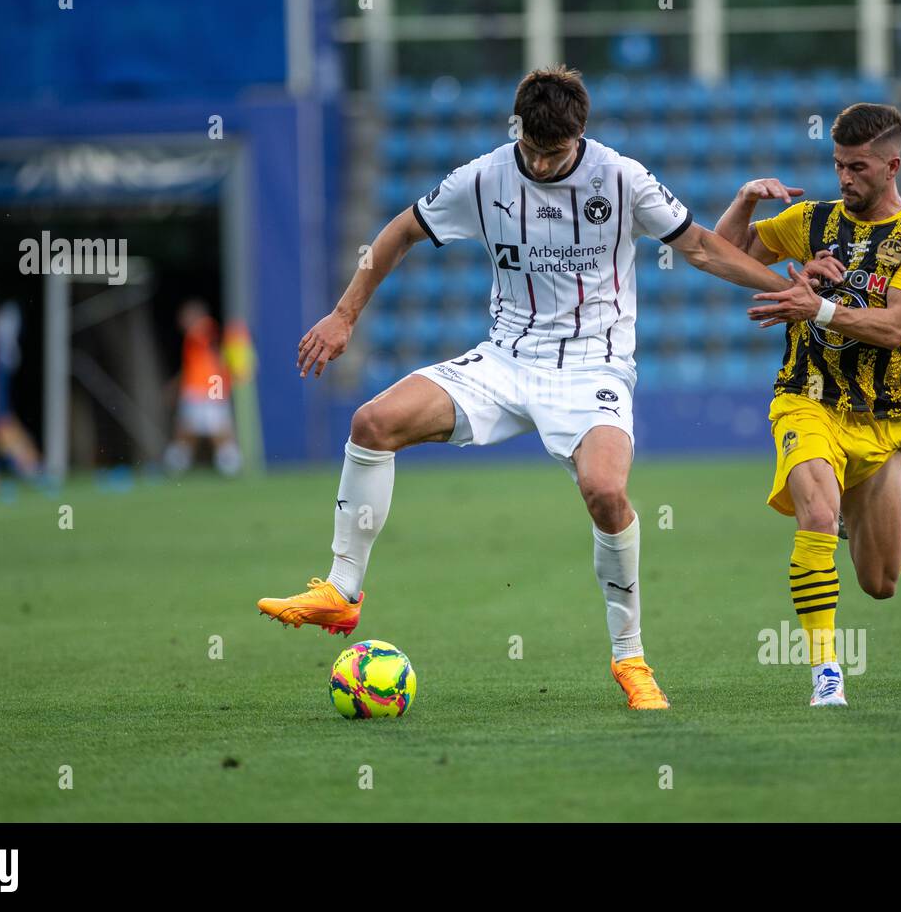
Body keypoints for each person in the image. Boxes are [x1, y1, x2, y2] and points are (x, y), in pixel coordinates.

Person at [257, 65, 791, 709]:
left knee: (604, 491)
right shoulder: (483, 178)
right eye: (531, 151)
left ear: (581, 135)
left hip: (595, 367)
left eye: (555, 153)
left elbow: (702, 248)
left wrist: (785, 288)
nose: (539, 165)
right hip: (505, 361)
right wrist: (344, 314)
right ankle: (343, 593)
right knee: (371, 423)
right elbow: (397, 234)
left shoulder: (622, 179)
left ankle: (631, 660)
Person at [716, 103, 901, 707]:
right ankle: (826, 672)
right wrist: (746, 201)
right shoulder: (810, 220)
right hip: (807, 399)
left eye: (859, 168)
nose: (845, 179)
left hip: (883, 421)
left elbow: (897, 326)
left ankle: (848, 503)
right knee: (816, 517)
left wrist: (815, 305)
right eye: (839, 165)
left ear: (892, 164)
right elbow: (720, 253)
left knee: (880, 583)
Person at [164, 300, 242, 477]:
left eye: (185, 316)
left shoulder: (203, 328)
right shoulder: (195, 338)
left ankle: (231, 468)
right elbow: (192, 366)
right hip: (203, 387)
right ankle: (176, 468)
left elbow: (219, 352)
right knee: (189, 431)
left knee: (217, 431)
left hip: (207, 388)